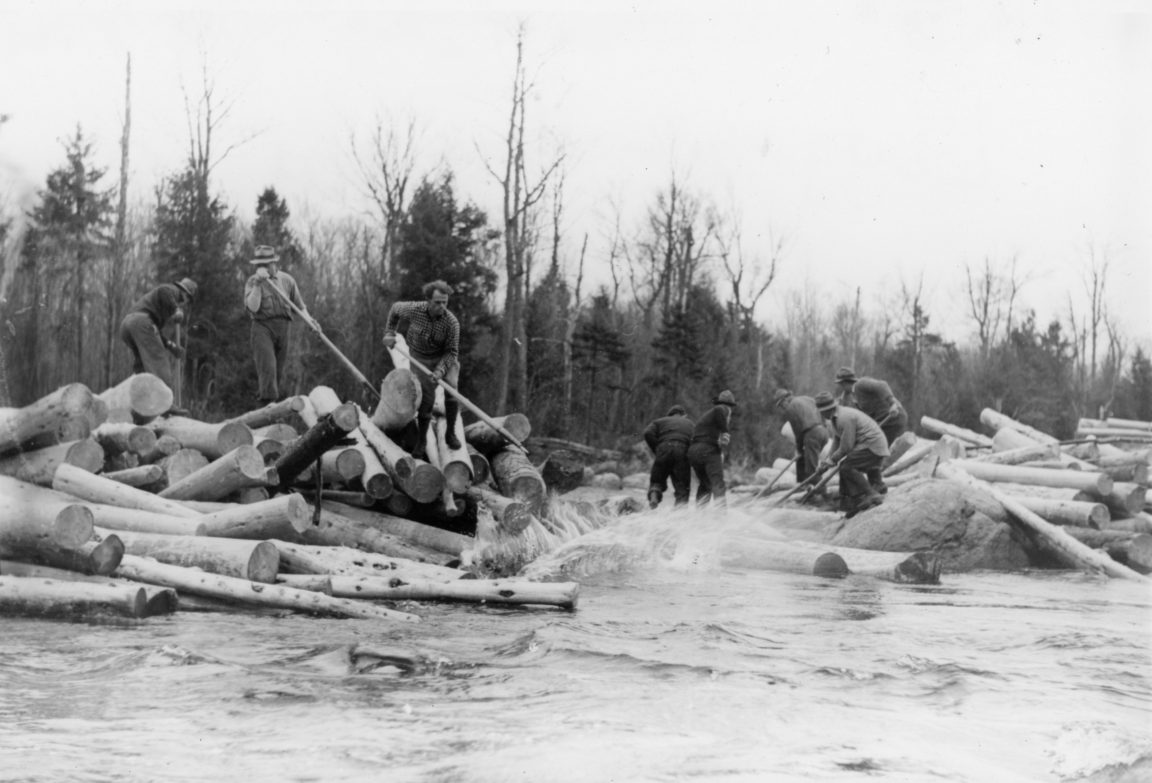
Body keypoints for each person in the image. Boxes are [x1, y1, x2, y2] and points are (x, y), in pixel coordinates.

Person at [382, 280, 461, 458]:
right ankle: (422, 440)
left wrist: (440, 371)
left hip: (444, 358)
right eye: (437, 302)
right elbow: (395, 309)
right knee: (426, 400)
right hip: (420, 359)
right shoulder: (414, 309)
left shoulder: (452, 323)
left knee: (451, 387)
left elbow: (451, 352)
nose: (442, 307)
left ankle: (450, 433)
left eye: (445, 302)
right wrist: (389, 333)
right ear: (428, 300)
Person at [244, 245, 310, 405]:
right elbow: (253, 307)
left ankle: (267, 408)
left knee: (277, 374)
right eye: (259, 265)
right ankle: (269, 410)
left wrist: (312, 322)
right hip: (262, 328)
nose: (262, 268)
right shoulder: (253, 281)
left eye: (266, 264)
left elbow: (300, 307)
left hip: (283, 328)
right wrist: (258, 285)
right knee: (268, 369)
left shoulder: (287, 280)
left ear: (274, 263)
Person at [815, 391, 889, 518]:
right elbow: (837, 441)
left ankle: (870, 494)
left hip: (872, 446)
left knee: (846, 467)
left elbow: (846, 447)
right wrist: (826, 461)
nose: (821, 415)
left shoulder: (844, 418)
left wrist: (832, 461)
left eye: (821, 412)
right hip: (869, 445)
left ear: (825, 410)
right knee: (845, 465)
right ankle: (854, 501)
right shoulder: (835, 418)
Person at [119, 277, 197, 393]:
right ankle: (163, 399)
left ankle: (139, 399)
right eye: (188, 301)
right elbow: (163, 291)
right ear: (186, 294)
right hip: (141, 323)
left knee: (142, 367)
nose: (185, 304)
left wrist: (171, 346)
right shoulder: (173, 291)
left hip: (127, 326)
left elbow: (154, 333)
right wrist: (176, 309)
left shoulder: (163, 306)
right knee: (159, 363)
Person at [834, 367, 908, 446]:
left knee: (879, 448)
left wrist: (892, 403)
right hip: (884, 423)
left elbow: (882, 385)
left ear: (844, 383)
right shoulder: (855, 397)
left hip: (893, 418)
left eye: (841, 385)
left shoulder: (861, 384)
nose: (841, 388)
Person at [687, 390, 736, 507]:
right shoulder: (723, 409)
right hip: (708, 449)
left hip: (694, 451)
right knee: (718, 483)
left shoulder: (708, 417)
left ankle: (700, 513)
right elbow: (720, 411)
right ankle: (721, 514)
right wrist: (725, 432)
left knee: (705, 484)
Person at [642, 404, 695, 509]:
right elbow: (696, 440)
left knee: (657, 480)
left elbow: (647, 433)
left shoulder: (659, 421)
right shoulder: (690, 423)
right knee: (682, 487)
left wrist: (656, 448)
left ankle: (655, 494)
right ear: (683, 415)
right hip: (682, 450)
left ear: (669, 415)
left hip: (663, 448)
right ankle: (679, 512)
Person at [773, 388, 829, 484]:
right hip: (824, 432)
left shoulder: (791, 408)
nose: (782, 408)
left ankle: (819, 490)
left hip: (812, 434)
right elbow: (822, 412)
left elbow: (798, 432)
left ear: (785, 400)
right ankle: (802, 484)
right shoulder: (807, 399)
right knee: (804, 460)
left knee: (811, 469)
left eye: (781, 405)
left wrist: (798, 449)